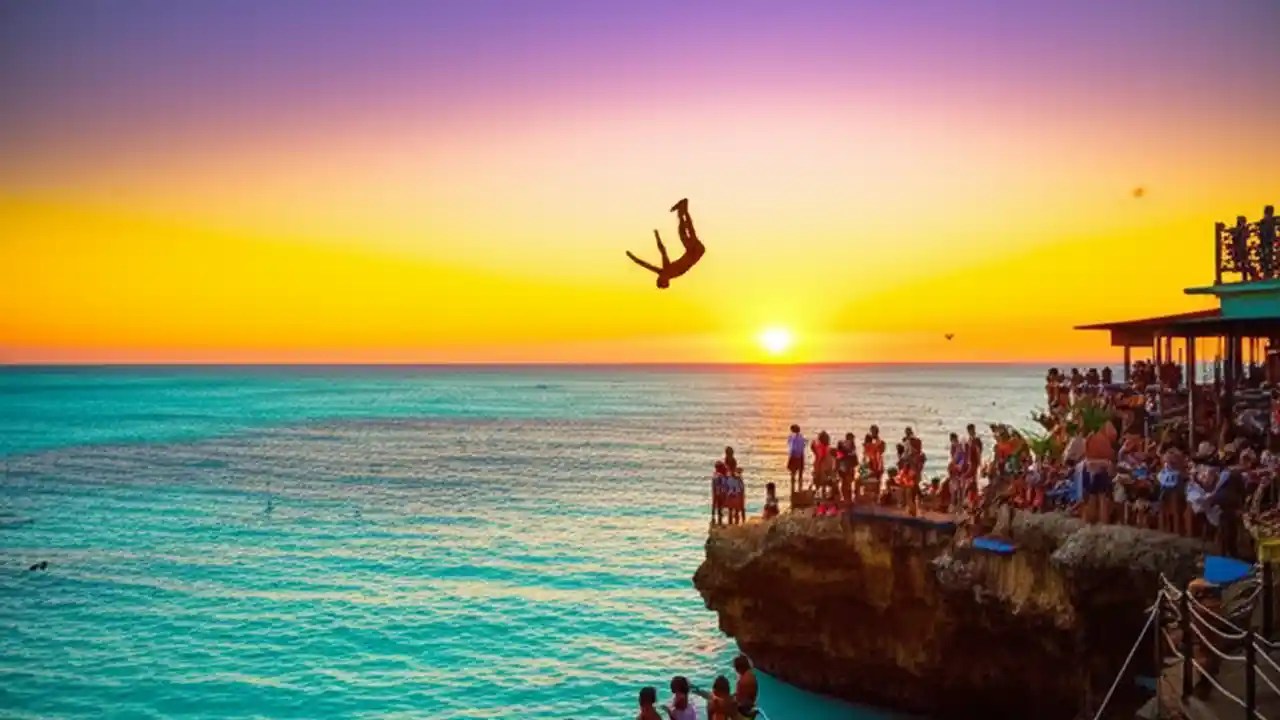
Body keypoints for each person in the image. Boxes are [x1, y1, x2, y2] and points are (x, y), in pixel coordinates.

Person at [626, 198, 706, 289]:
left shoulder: (665, 270)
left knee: (683, 232)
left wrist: (632, 257)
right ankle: (684, 208)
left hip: (693, 251)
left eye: (659, 277)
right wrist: (657, 236)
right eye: (660, 278)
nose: (660, 276)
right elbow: (663, 252)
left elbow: (646, 263)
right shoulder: (670, 272)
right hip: (695, 252)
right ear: (665, 280)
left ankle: (682, 209)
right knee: (688, 232)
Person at [786, 424, 806, 494]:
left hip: (794, 456)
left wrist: (791, 457)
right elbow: (803, 446)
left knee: (793, 473)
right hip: (801, 456)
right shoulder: (802, 437)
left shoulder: (792, 437)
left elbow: (791, 447)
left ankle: (793, 489)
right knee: (800, 474)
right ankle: (800, 489)